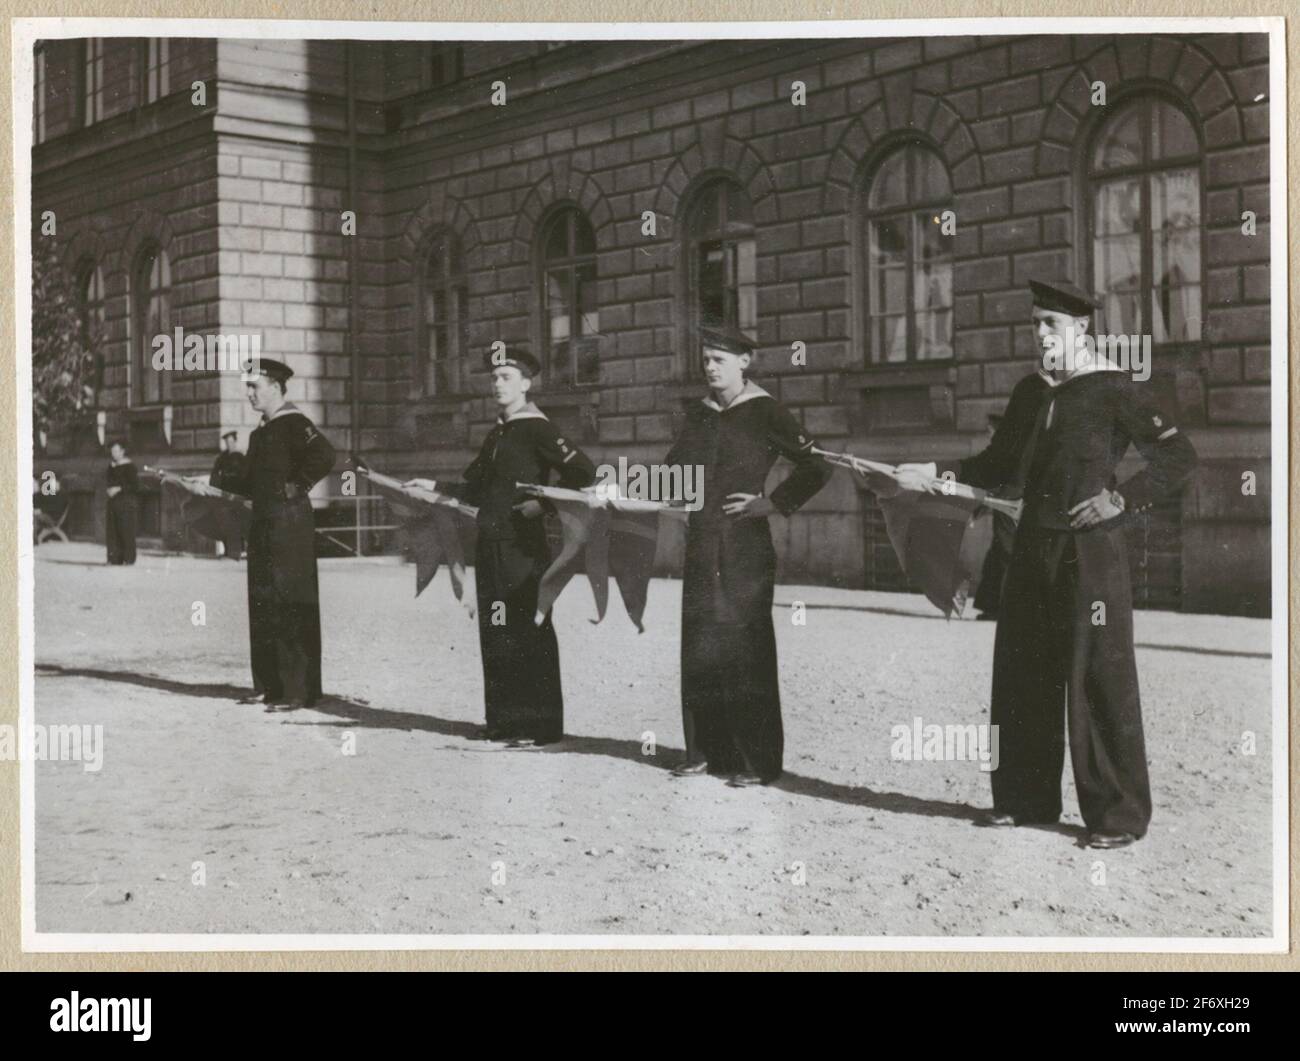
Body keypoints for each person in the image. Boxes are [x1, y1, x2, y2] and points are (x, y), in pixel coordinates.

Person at [887, 279, 1197, 848]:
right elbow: (996, 463)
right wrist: (930, 470)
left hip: (1091, 553)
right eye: (1035, 324)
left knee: (1098, 678)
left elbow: (1178, 455)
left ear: (1080, 329)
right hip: (1031, 548)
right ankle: (1024, 799)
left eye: (1049, 324)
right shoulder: (1032, 392)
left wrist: (1119, 500)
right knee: (1021, 672)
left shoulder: (1114, 387)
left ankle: (1119, 816)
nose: (1040, 335)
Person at [662, 323, 832, 787]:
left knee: (745, 650)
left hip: (744, 547)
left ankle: (755, 762)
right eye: (705, 360)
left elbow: (817, 466)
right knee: (699, 646)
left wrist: (771, 503)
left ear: (744, 362)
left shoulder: (766, 412)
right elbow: (674, 470)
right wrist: (631, 490)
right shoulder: (699, 415)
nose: (710, 368)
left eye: (719, 359)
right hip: (701, 542)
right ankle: (703, 752)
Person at [405, 346, 596, 748]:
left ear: (526, 384)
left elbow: (584, 472)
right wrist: (433, 486)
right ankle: (504, 721)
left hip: (522, 551)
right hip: (491, 548)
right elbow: (475, 488)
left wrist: (543, 503)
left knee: (529, 633)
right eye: (494, 378)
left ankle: (540, 727)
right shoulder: (498, 433)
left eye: (506, 377)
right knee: (495, 629)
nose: (497, 384)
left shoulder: (538, 428)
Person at [229, 358, 336, 710]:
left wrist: (298, 485)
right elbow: (246, 481)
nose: (248, 394)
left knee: (291, 603)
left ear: (275, 387)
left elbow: (325, 455)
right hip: (261, 525)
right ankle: (268, 685)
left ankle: (297, 690)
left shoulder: (295, 424)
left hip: (290, 526)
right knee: (262, 602)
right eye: (247, 386)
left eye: (254, 386)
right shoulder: (259, 433)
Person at [209, 429, 248, 559]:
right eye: (226, 442)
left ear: (235, 442)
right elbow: (214, 474)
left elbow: (247, 475)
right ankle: (227, 550)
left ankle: (241, 550)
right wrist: (214, 490)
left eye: (230, 441)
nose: (228, 444)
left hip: (239, 495)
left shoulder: (242, 457)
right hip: (225, 495)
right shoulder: (222, 458)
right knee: (226, 523)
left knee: (240, 523)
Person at [105, 441, 139, 565]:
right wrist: (109, 489)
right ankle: (114, 559)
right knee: (113, 531)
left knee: (126, 531)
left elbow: (135, 486)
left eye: (115, 451)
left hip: (126, 502)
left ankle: (128, 559)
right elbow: (108, 481)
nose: (113, 454)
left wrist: (119, 489)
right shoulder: (111, 466)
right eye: (112, 451)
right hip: (113, 502)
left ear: (122, 451)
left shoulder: (130, 466)